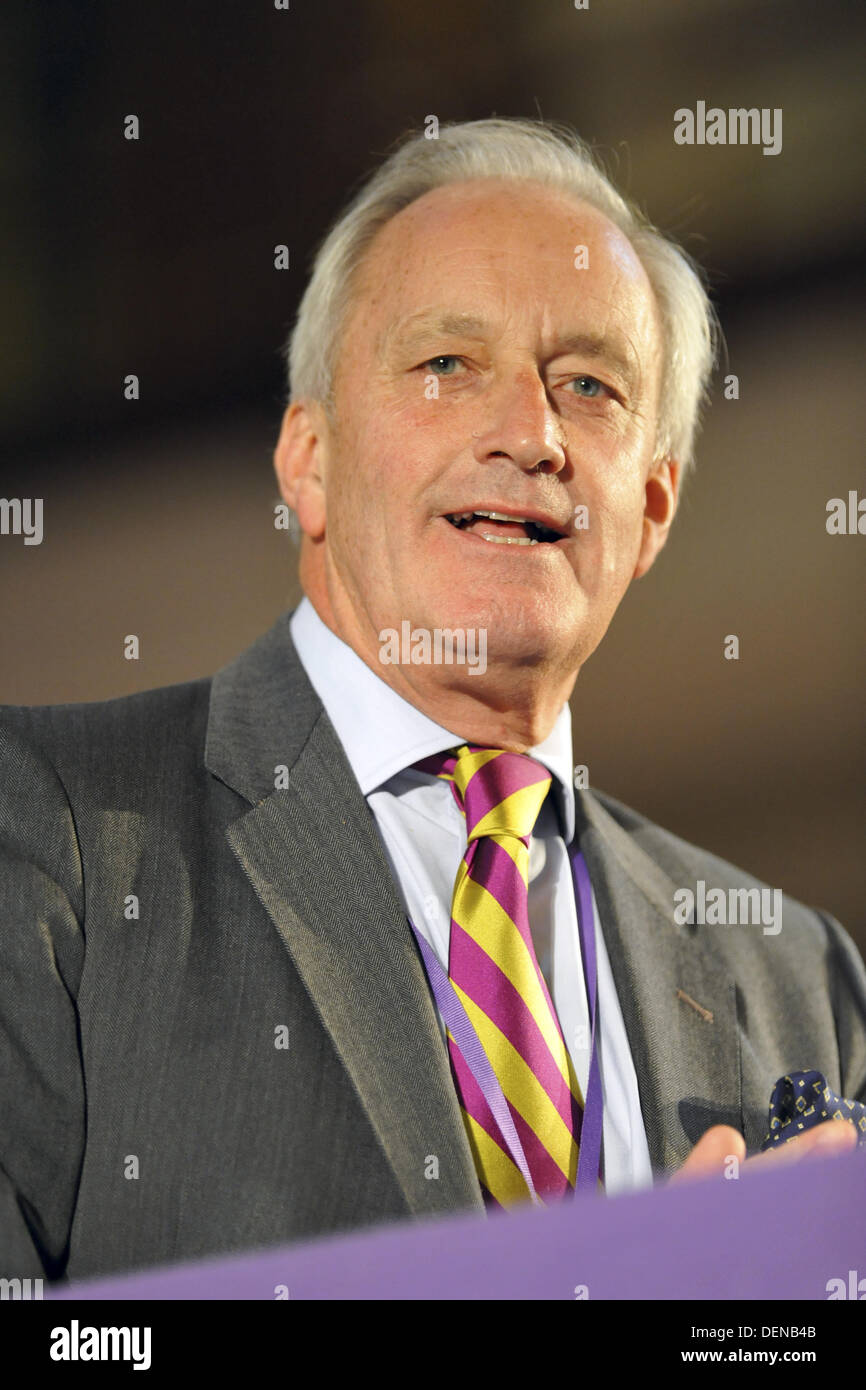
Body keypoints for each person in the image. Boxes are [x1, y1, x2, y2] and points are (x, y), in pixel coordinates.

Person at [1, 119, 863, 1284]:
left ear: (652, 507)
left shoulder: (798, 980)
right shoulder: (50, 834)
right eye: (445, 365)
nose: (530, 435)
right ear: (307, 459)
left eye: (588, 385)